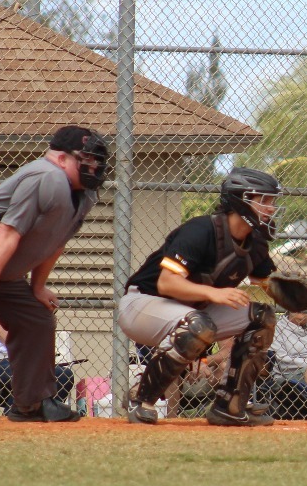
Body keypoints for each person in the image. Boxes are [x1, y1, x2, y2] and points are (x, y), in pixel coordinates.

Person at [0, 125, 106, 423]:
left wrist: (38, 286)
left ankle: (32, 403)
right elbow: (8, 231)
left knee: (36, 317)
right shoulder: (46, 176)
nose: (94, 167)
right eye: (86, 159)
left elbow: (56, 240)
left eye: (97, 161)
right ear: (62, 159)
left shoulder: (84, 194)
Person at [118, 167, 284, 427]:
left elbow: (270, 286)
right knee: (198, 324)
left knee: (262, 318)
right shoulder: (201, 230)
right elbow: (167, 282)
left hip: (192, 311)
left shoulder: (256, 243)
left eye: (272, 201)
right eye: (263, 200)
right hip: (143, 305)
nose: (271, 208)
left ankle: (230, 405)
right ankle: (142, 401)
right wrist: (215, 294)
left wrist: (296, 294)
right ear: (240, 201)